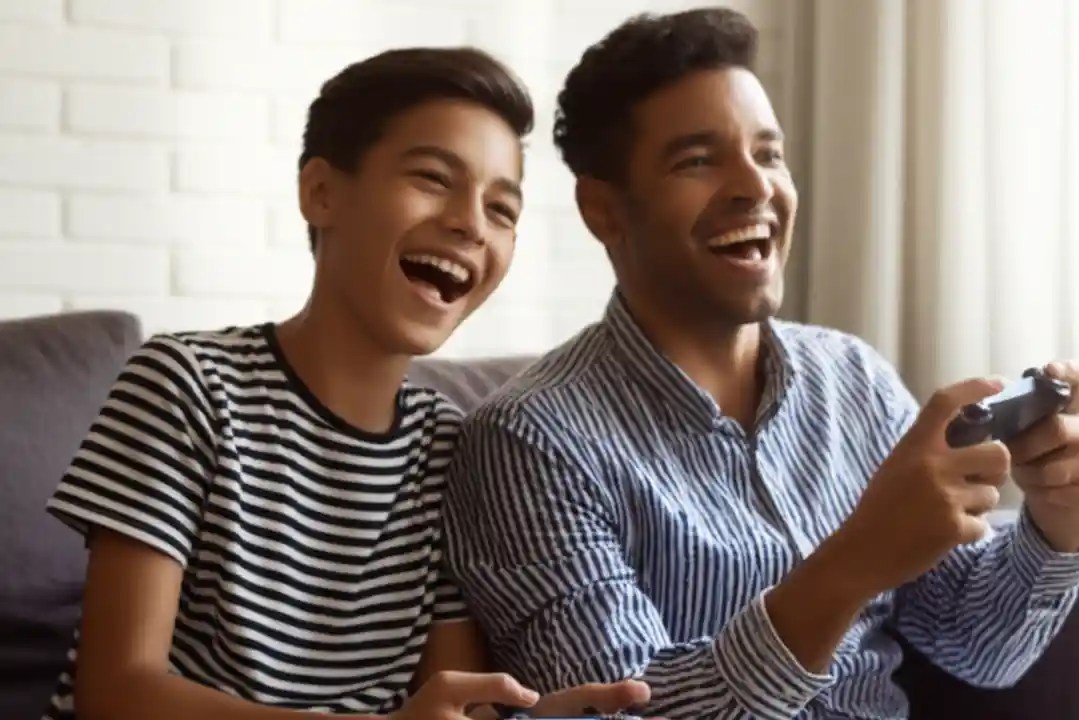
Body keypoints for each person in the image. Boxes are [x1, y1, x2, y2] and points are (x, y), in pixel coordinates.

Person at [442, 8, 1079, 720]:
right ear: (604, 211)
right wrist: (853, 562)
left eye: (768, 154)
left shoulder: (851, 379)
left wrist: (1055, 521)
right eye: (698, 160)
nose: (754, 186)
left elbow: (978, 647)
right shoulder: (527, 441)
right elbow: (623, 710)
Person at [39, 47, 646, 720]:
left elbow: (453, 698)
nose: (471, 223)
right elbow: (118, 691)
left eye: (502, 209)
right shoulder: (186, 385)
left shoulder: (449, 446)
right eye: (433, 178)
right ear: (321, 192)